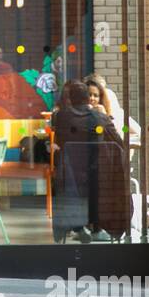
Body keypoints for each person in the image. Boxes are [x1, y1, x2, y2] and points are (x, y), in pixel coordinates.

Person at [49, 81, 129, 244]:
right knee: (103, 182)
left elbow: (58, 139)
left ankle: (78, 226)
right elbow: (118, 143)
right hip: (97, 173)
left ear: (70, 98)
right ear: (87, 98)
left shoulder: (60, 117)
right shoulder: (100, 117)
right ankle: (98, 227)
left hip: (70, 173)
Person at [85, 72, 141, 142]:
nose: (92, 98)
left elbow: (132, 130)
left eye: (96, 95)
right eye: (89, 94)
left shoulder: (113, 106)